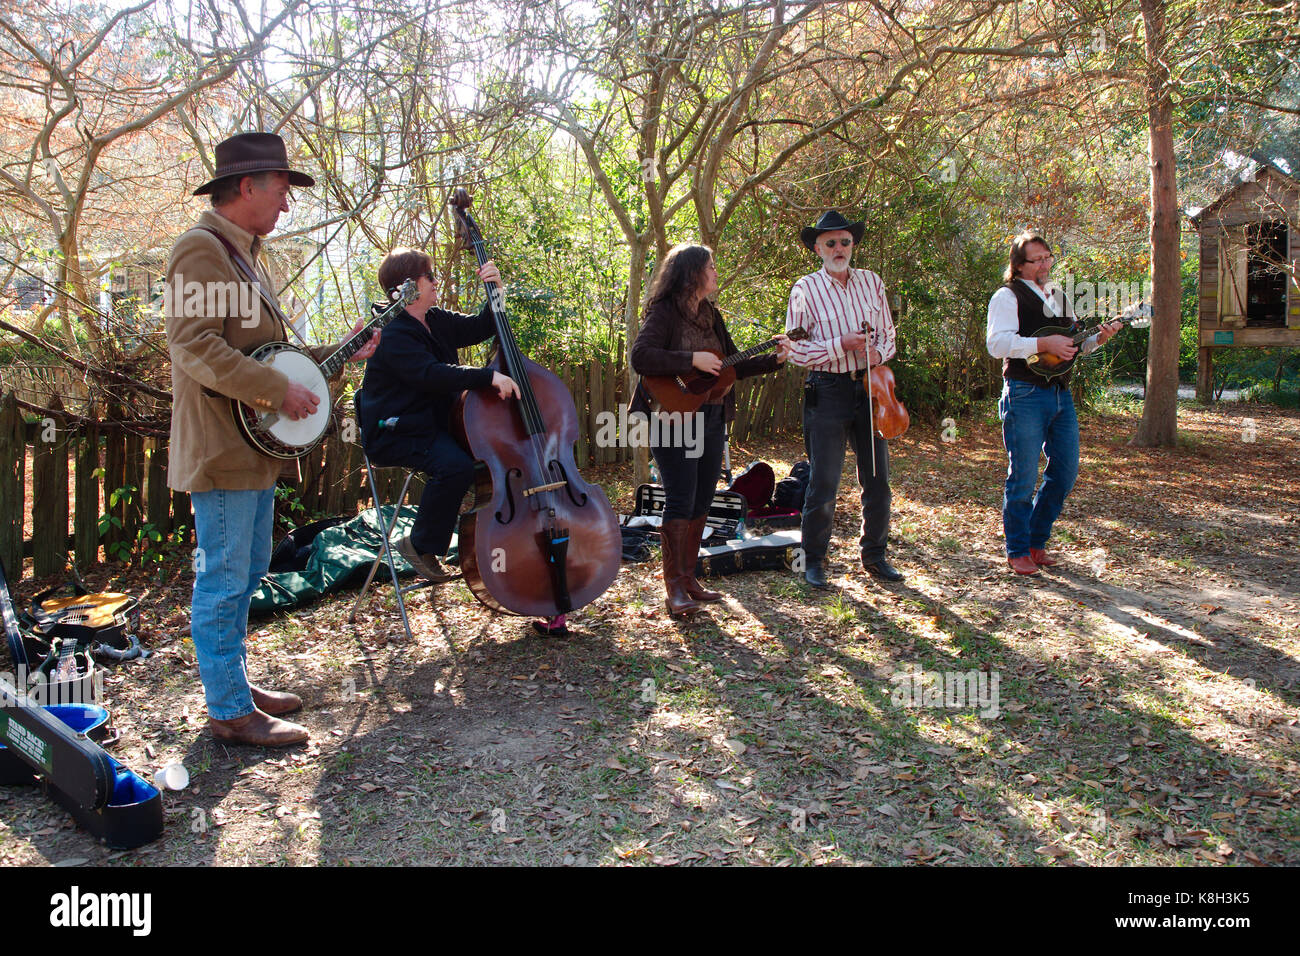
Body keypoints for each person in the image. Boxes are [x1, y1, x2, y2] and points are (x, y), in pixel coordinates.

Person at [167, 132, 378, 746]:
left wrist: (337, 355)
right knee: (225, 578)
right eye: (282, 189)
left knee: (250, 568)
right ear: (246, 186)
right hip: (222, 449)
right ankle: (229, 709)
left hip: (251, 447)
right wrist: (274, 392)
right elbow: (194, 345)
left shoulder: (245, 256)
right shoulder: (198, 251)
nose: (287, 204)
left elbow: (268, 356)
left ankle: (231, 682)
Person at [631, 243, 790, 616]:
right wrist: (690, 359)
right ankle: (672, 588)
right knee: (681, 498)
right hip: (672, 420)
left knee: (703, 499)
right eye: (711, 267)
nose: (716, 272)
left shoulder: (712, 315)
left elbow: (732, 364)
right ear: (691, 274)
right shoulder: (665, 312)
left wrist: (776, 360)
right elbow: (641, 356)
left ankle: (688, 578)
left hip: (712, 416)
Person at [355, 248, 521, 589]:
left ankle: (497, 553)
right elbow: (431, 374)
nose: (435, 281)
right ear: (405, 288)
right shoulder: (391, 333)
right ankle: (421, 547)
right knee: (455, 466)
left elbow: (484, 326)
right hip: (395, 430)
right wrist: (487, 377)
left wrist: (497, 292)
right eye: (428, 276)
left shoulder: (436, 320)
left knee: (484, 461)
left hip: (430, 425)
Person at [986, 231, 1123, 575]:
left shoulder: (1059, 295)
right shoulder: (1007, 296)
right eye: (1037, 259)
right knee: (1022, 477)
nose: (1045, 264)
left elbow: (1071, 346)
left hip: (1061, 393)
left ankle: (1036, 540)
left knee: (1064, 473)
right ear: (1018, 266)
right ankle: (1018, 549)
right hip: (1025, 392)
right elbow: (997, 344)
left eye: (1048, 257)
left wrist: (1097, 339)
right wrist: (1042, 342)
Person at [784, 210, 902, 589]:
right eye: (830, 243)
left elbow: (888, 336)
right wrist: (842, 345)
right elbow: (795, 351)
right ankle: (814, 560)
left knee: (878, 479)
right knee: (823, 482)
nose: (839, 248)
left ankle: (875, 555)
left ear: (854, 244)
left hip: (870, 390)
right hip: (827, 390)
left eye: (845, 241)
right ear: (817, 248)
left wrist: (876, 354)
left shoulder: (872, 282)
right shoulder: (805, 288)